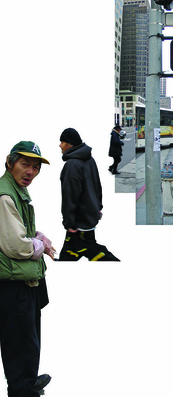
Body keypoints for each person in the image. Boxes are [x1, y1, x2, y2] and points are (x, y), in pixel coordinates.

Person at [0, 141, 55, 397]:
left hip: (25, 281)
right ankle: (22, 390)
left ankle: (29, 383)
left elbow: (20, 232)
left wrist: (38, 236)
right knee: (19, 346)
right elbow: (16, 245)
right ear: (10, 163)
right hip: (13, 285)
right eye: (25, 164)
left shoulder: (17, 192)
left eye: (35, 167)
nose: (30, 172)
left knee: (28, 341)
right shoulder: (5, 196)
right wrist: (38, 245)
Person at [56, 128, 118, 262]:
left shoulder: (72, 165)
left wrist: (69, 223)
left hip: (79, 223)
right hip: (89, 218)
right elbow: (97, 185)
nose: (60, 145)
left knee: (88, 251)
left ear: (70, 144)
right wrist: (98, 207)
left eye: (62, 142)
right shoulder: (89, 160)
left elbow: (69, 197)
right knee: (72, 253)